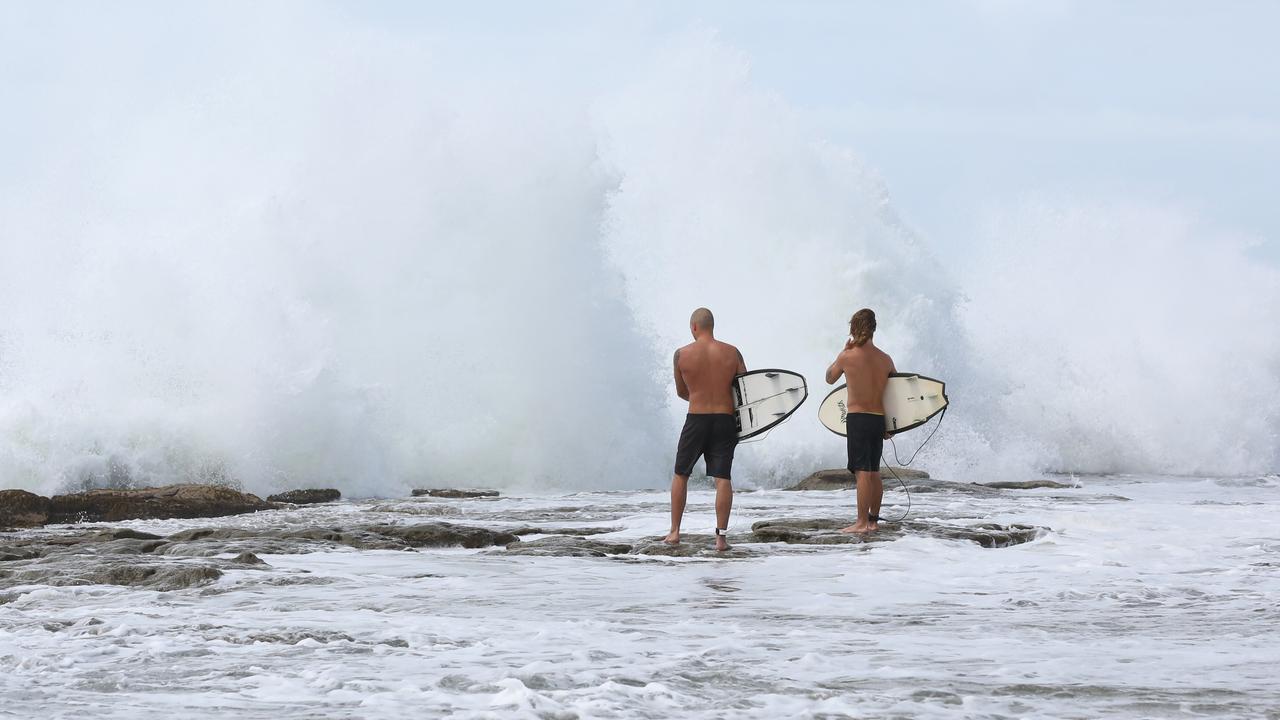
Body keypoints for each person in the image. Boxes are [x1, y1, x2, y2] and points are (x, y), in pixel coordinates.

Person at [663, 307, 745, 552]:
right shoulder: (732, 353)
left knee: (681, 474)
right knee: (722, 479)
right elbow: (744, 389)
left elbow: (681, 392)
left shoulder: (681, 355)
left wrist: (700, 397)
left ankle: (675, 532)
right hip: (724, 419)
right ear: (712, 326)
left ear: (694, 328)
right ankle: (721, 539)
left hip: (696, 418)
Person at [825, 308, 896, 533]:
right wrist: (892, 424)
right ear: (874, 329)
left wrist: (842, 352)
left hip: (858, 419)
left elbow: (829, 378)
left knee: (862, 472)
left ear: (853, 329)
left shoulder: (848, 356)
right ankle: (873, 520)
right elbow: (896, 393)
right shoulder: (886, 359)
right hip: (878, 420)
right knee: (873, 471)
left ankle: (861, 523)